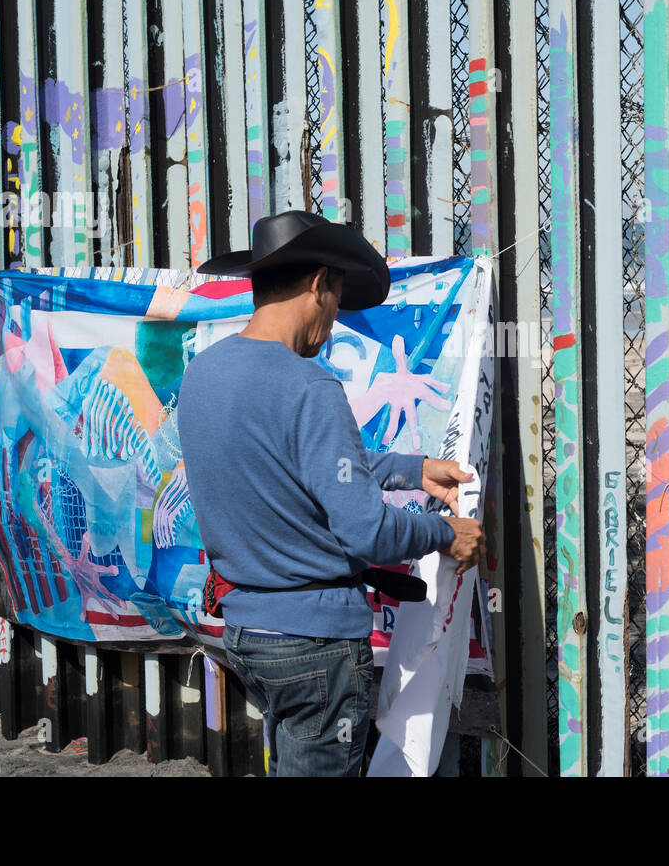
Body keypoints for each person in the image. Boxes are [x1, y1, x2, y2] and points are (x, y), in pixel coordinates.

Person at [176, 210, 486, 776]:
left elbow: (298, 461)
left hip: (248, 634)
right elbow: (367, 529)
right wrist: (446, 534)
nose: (335, 318)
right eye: (338, 297)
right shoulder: (309, 385)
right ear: (319, 284)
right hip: (314, 644)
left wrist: (410, 469)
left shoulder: (204, 374)